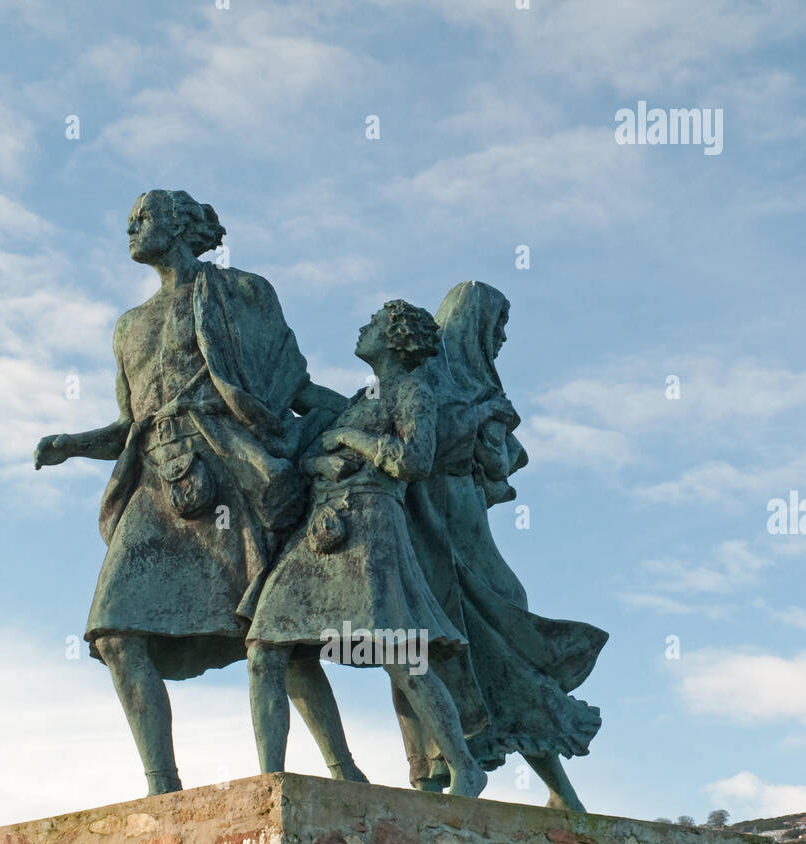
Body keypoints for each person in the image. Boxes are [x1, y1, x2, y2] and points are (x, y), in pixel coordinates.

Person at [35, 189, 365, 794]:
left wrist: (364, 415)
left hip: (229, 472)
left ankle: (345, 774)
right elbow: (131, 424)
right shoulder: (128, 327)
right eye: (128, 217)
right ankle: (163, 788)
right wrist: (72, 443)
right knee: (115, 634)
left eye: (145, 216)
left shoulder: (242, 293)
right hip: (156, 480)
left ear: (183, 225)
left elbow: (290, 387)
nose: (131, 225)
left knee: (278, 639)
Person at [246, 300, 487, 798]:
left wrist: (349, 438)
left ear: (396, 337)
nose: (362, 326)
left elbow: (413, 460)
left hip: (373, 525)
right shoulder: (364, 394)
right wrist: (322, 462)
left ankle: (466, 765)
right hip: (322, 528)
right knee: (268, 644)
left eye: (374, 323)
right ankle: (274, 775)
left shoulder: (413, 391)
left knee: (401, 655)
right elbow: (315, 444)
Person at [393, 280, 608, 811]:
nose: (503, 340)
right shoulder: (447, 387)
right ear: (475, 324)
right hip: (433, 527)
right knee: (416, 652)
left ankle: (551, 792)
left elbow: (502, 462)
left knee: (484, 661)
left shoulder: (426, 382)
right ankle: (435, 777)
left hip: (452, 533)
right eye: (499, 327)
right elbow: (501, 462)